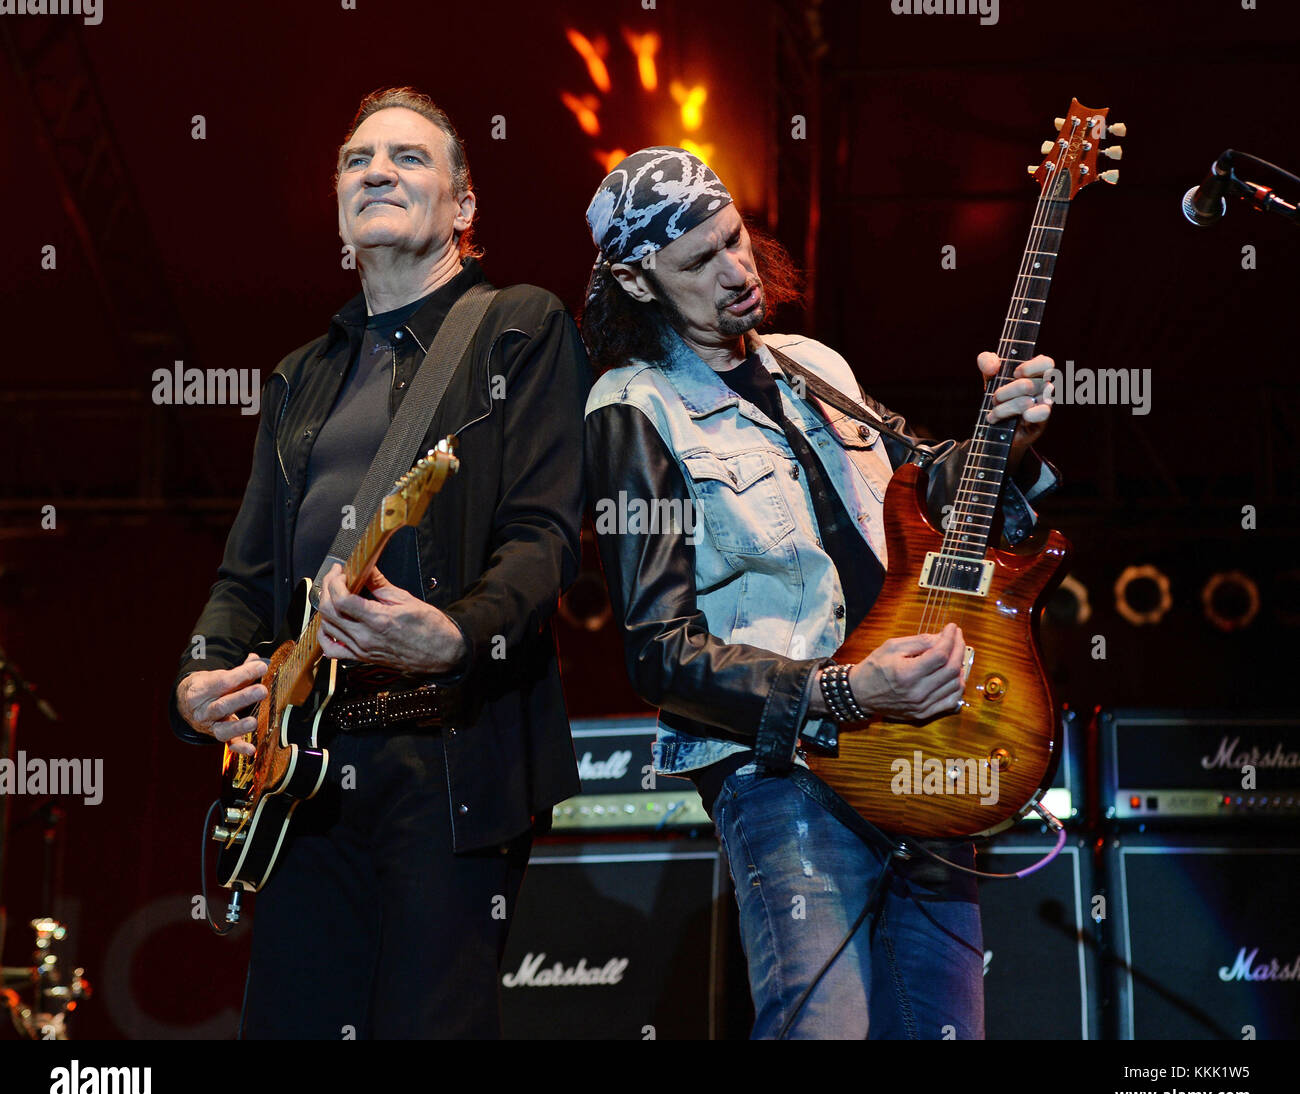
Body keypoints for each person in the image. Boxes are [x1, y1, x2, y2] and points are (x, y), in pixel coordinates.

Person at [580, 147, 1059, 1039]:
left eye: (736, 243)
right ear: (640, 283)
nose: (737, 274)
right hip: (785, 775)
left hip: (919, 741)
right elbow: (658, 652)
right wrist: (842, 690)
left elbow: (937, 503)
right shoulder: (633, 407)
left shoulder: (814, 361)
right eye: (699, 263)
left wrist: (1010, 438)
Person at [169, 87, 588, 1039]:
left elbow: (546, 535)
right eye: (357, 160)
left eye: (408, 157)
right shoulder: (300, 375)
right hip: (301, 767)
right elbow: (242, 582)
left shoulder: (518, 326)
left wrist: (457, 633)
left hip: (448, 756)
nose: (378, 172)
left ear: (464, 205)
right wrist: (196, 685)